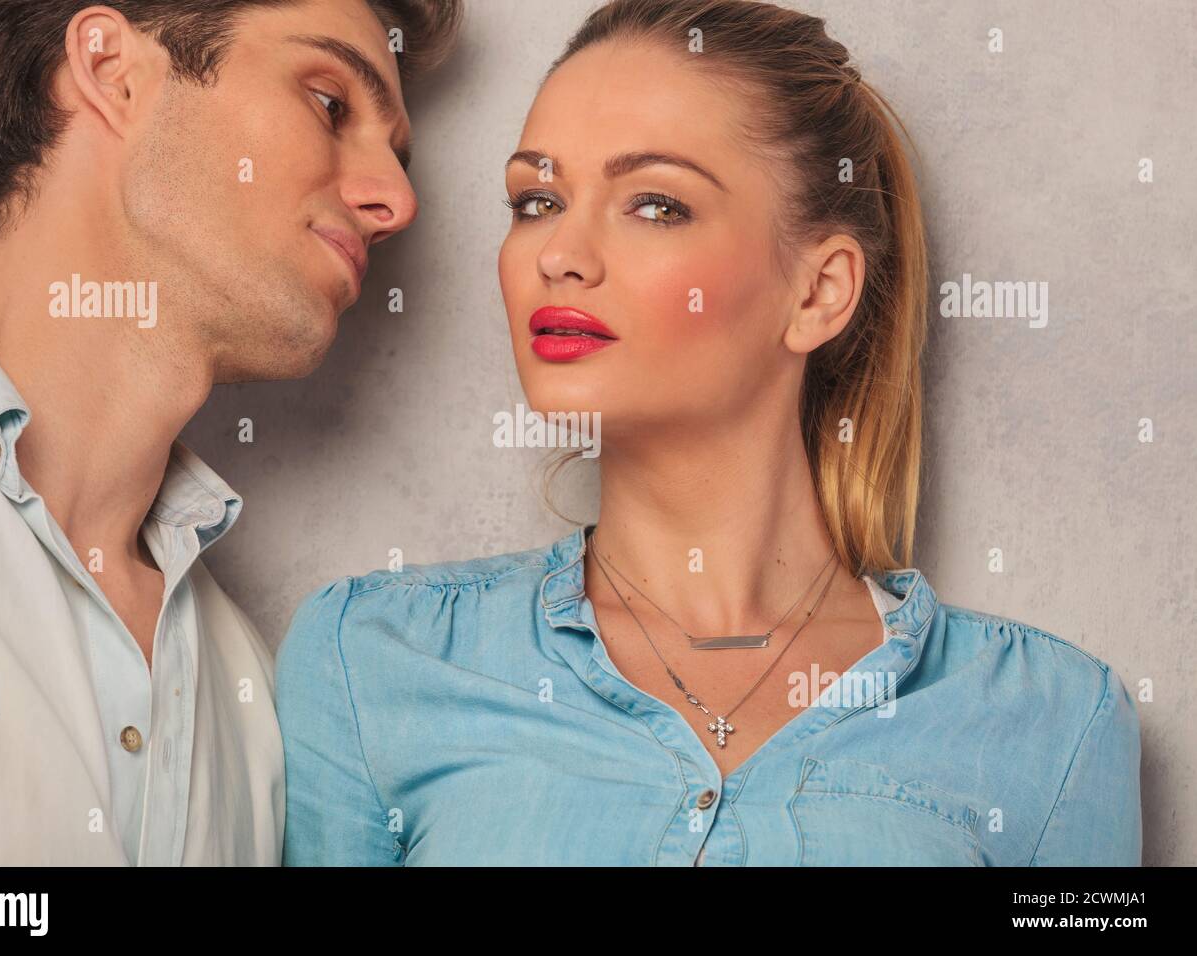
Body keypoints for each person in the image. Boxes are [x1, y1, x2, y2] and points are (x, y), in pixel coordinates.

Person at [277, 0, 1142, 866]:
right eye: (537, 199)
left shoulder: (1056, 724)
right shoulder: (373, 660)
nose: (559, 255)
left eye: (656, 205)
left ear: (818, 292)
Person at [0, 0, 462, 865]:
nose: (397, 201)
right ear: (112, 70)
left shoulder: (256, 708)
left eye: (397, 152)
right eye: (330, 103)